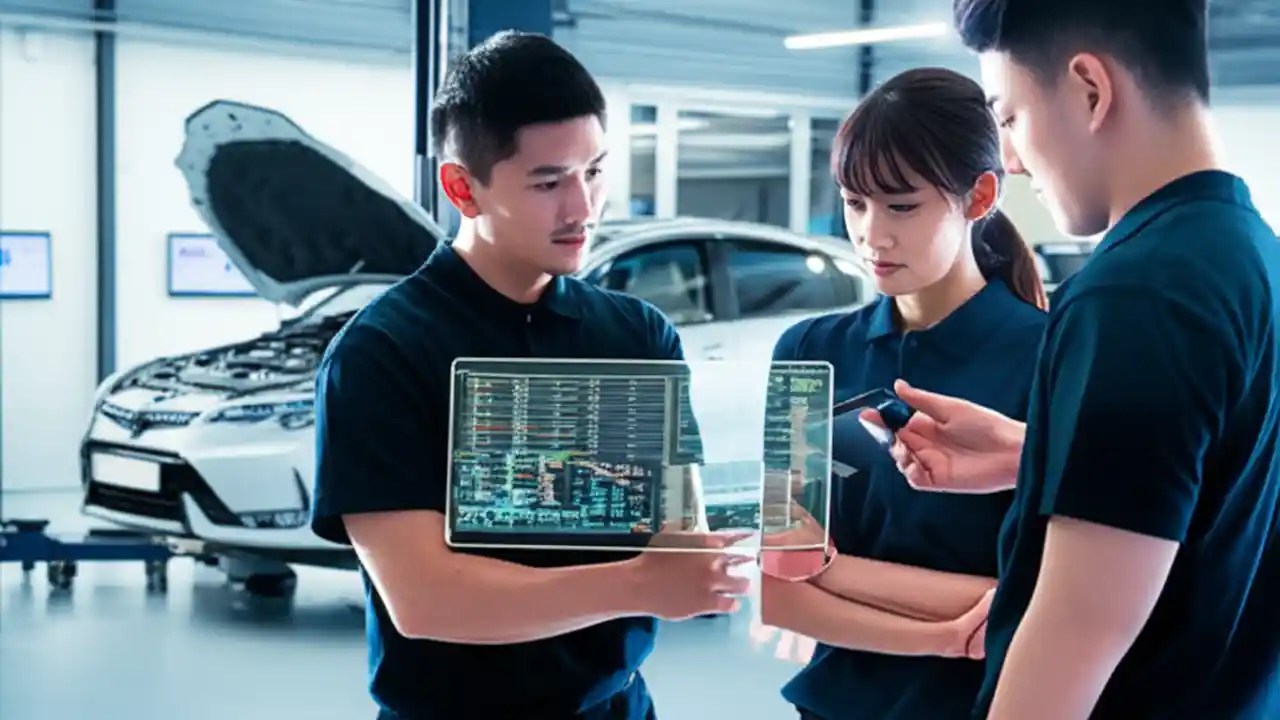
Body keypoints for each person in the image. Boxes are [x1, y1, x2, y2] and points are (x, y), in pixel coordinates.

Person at [309, 31, 750, 720]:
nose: (583, 208)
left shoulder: (637, 336)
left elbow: (677, 529)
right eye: (549, 183)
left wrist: (785, 512)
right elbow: (424, 600)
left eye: (594, 171)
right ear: (462, 187)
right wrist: (640, 583)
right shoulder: (381, 352)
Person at [863, 2, 1280, 718]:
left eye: (1011, 117)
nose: (1012, 158)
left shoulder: (1135, 293)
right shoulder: (1253, 256)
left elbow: (1073, 641)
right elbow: (1215, 494)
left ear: (1090, 90)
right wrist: (1034, 455)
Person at [758, 67, 1050, 720]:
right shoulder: (807, 352)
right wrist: (945, 635)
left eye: (902, 206)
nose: (872, 234)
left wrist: (835, 572)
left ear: (979, 197)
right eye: (854, 203)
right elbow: (780, 593)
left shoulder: (1052, 357)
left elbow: (1042, 599)